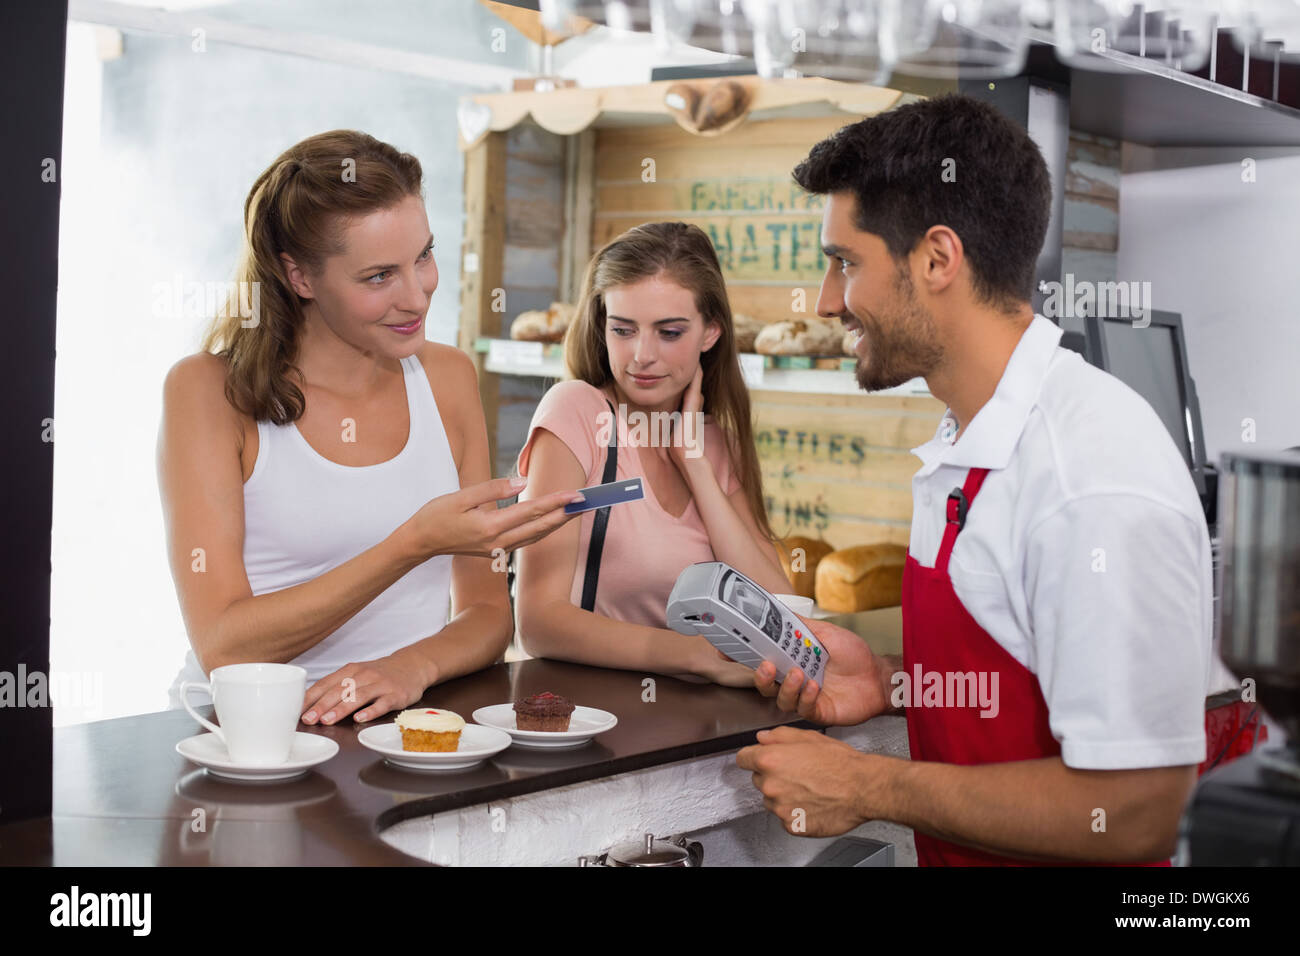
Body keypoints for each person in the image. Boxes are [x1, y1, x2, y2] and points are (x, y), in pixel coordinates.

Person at [737, 94, 1217, 865]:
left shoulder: (1086, 479)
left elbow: (1138, 810)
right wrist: (896, 684)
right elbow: (1020, 682)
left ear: (936, 259)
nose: (829, 301)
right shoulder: (970, 435)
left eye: (845, 263)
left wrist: (864, 786)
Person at [159, 130, 581, 727]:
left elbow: (488, 614)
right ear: (299, 276)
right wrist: (412, 544)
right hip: (248, 734)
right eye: (379, 276)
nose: (417, 297)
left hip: (401, 722)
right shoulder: (207, 392)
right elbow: (225, 647)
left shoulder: (449, 377)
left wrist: (411, 666)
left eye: (424, 256)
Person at [514, 222, 790, 686]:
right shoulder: (576, 412)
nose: (641, 355)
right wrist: (693, 656)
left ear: (710, 332)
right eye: (623, 330)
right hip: (592, 724)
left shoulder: (715, 443)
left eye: (669, 332)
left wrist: (697, 466)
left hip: (698, 730)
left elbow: (780, 611)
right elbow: (539, 624)